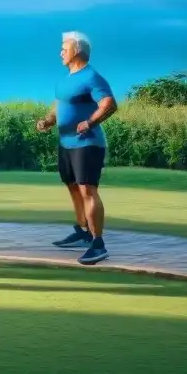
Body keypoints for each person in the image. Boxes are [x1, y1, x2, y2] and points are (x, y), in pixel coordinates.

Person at [36, 31, 118, 266]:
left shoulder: (91, 77)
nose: (60, 51)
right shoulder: (65, 79)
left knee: (87, 191)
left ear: (78, 50)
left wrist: (90, 122)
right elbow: (60, 105)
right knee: (73, 188)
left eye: (65, 47)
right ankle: (84, 230)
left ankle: (98, 244)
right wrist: (48, 120)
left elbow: (109, 104)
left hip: (87, 144)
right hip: (66, 143)